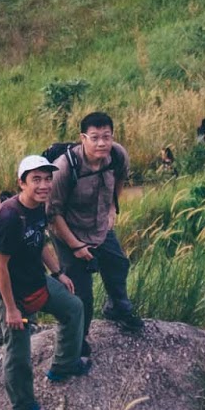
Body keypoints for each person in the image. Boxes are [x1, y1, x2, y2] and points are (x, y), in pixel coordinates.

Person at [0, 155, 86, 410]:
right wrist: (10, 308)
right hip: (13, 292)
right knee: (19, 351)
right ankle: (23, 405)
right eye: (36, 180)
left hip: (38, 280)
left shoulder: (39, 208)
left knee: (73, 308)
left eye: (47, 179)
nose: (44, 185)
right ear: (21, 183)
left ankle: (65, 363)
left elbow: (41, 241)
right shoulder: (10, 216)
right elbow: (0, 266)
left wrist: (58, 273)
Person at [48, 110, 144, 354]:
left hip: (100, 227)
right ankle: (77, 340)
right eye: (95, 137)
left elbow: (121, 177)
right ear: (83, 138)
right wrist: (77, 246)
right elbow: (52, 214)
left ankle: (118, 309)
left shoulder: (117, 155)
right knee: (81, 293)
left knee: (118, 265)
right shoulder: (64, 168)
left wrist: (113, 207)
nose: (102, 143)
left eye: (107, 136)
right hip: (68, 232)